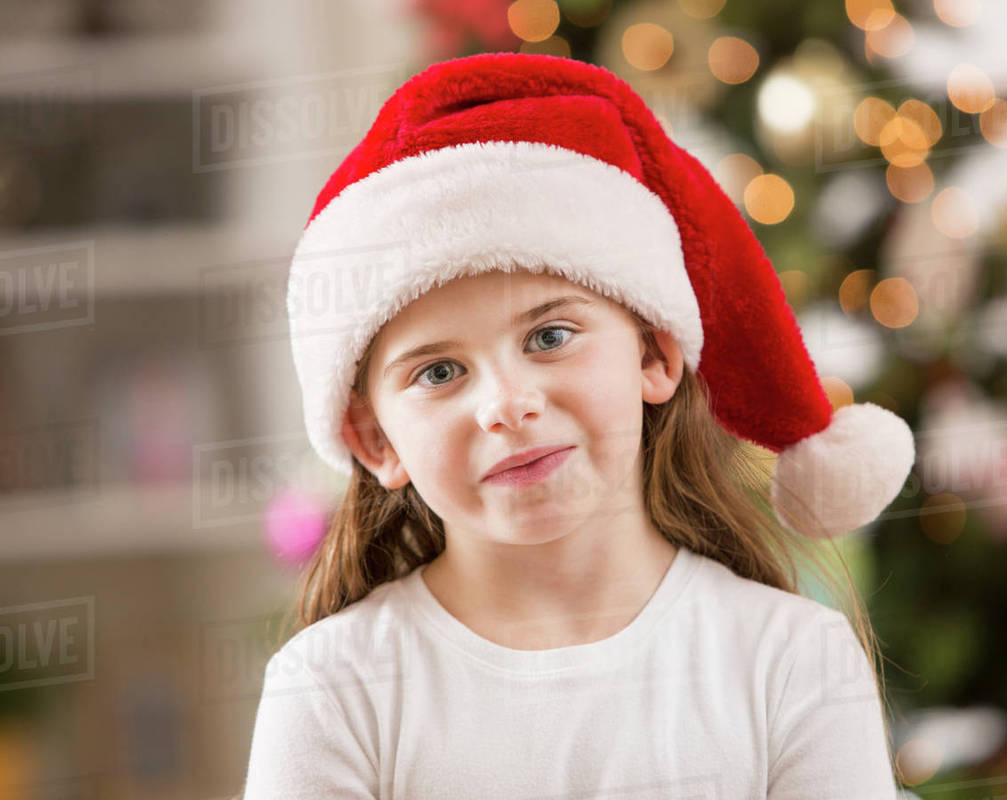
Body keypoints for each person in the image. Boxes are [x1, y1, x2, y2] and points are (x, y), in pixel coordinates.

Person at [242, 52, 915, 799]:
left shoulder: (791, 660)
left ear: (654, 354)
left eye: (549, 336)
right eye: (438, 372)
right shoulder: (333, 690)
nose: (506, 403)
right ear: (374, 440)